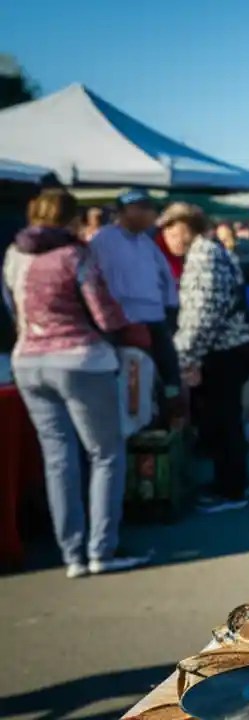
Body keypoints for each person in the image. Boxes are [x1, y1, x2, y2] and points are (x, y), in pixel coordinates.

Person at [3, 189, 151, 577]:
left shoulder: (14, 256)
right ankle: (102, 548)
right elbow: (103, 312)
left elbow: (11, 307)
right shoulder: (76, 254)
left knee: (58, 458)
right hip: (82, 360)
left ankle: (71, 554)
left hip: (28, 360)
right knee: (105, 453)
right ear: (71, 219)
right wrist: (126, 334)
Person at [163, 203, 249, 513]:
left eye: (170, 229)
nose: (167, 237)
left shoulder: (204, 255)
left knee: (222, 421)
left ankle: (231, 490)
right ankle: (229, 482)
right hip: (228, 347)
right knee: (223, 420)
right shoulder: (208, 252)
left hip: (224, 350)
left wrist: (186, 355)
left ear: (185, 227)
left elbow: (205, 312)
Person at [90, 189, 181, 416]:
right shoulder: (103, 240)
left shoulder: (146, 242)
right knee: (130, 378)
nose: (150, 214)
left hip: (155, 317)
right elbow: (97, 281)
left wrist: (171, 307)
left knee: (169, 372)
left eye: (150, 208)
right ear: (124, 212)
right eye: (143, 208)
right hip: (124, 321)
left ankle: (167, 413)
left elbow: (166, 277)